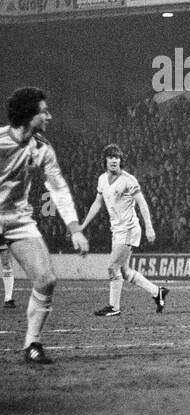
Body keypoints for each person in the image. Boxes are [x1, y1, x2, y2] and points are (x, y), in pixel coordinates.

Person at [0, 88, 90, 364]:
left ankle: (32, 344)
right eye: (44, 111)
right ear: (29, 115)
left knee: (46, 279)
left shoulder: (42, 149)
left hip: (17, 220)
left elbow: (59, 190)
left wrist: (74, 228)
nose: (49, 116)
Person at [79, 144, 168, 316]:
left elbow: (142, 203)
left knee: (113, 267)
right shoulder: (102, 180)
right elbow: (97, 203)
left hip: (129, 229)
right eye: (111, 157)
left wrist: (149, 227)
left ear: (121, 160)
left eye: (117, 157)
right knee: (125, 272)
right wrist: (83, 225)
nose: (114, 160)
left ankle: (114, 307)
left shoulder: (129, 180)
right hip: (117, 230)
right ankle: (158, 292)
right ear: (105, 160)